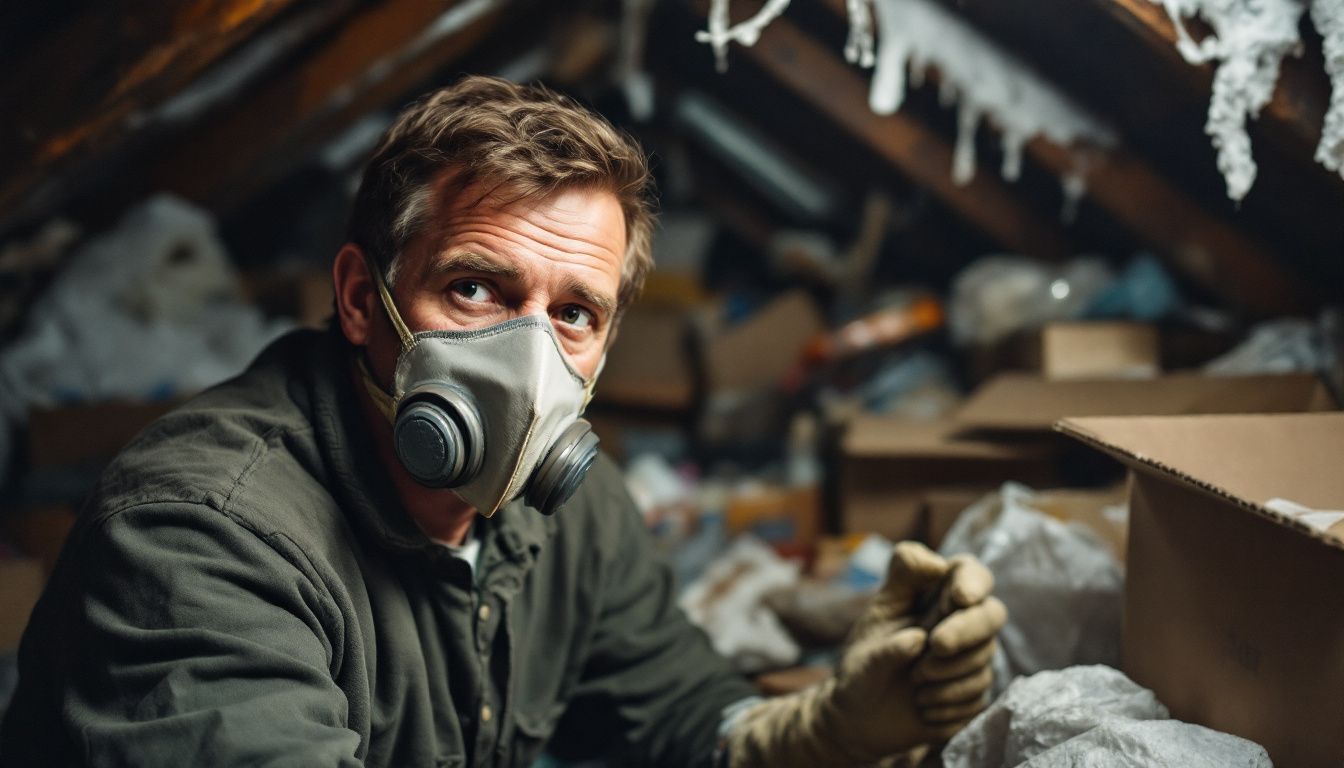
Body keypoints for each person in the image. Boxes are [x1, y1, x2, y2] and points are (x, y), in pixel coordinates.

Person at [0, 75, 1005, 767]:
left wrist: (829, 726)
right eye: (476, 289)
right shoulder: (198, 537)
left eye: (574, 313)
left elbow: (675, 714)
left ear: (606, 342)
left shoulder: (571, 508)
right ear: (362, 298)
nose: (529, 365)